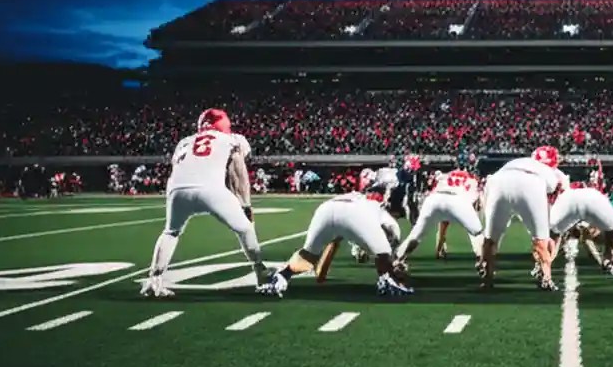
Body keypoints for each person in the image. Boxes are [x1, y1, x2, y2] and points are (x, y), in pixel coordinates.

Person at [140, 108, 269, 298]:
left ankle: (154, 280)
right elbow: (238, 168)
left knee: (171, 232)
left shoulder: (184, 141)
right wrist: (245, 204)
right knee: (245, 228)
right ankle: (261, 274)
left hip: (177, 189)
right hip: (211, 189)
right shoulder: (233, 139)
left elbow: (179, 166)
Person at [261, 191, 412, 297]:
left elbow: (330, 249)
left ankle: (282, 275)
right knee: (384, 253)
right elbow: (390, 241)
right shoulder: (379, 212)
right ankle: (387, 281)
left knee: (307, 256)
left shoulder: (366, 203)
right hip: (355, 212)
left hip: (326, 209)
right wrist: (395, 266)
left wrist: (320, 275)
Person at [479, 146, 567, 290]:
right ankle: (547, 278)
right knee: (541, 240)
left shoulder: (518, 161)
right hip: (530, 184)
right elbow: (551, 195)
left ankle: (487, 277)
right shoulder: (550, 172)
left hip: (498, 181)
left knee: (490, 239)